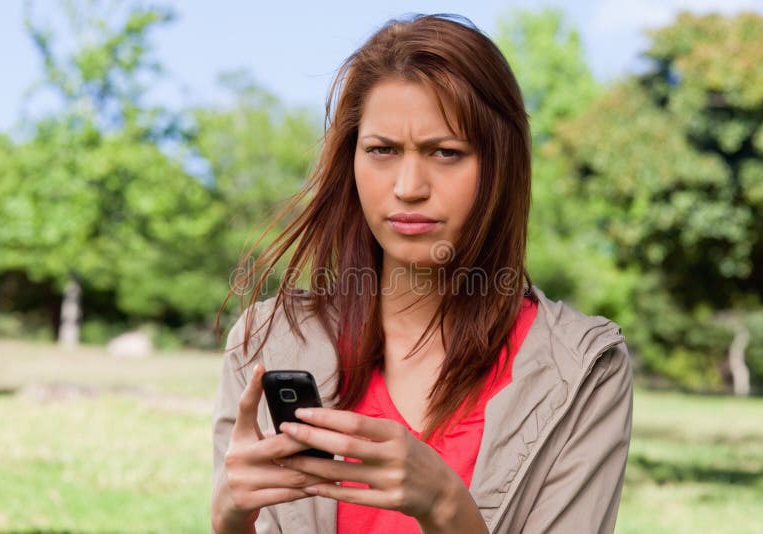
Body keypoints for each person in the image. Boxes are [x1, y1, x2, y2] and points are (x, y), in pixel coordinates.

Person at [211, 13, 633, 534]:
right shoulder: (268, 342)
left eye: (446, 152)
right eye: (382, 150)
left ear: (500, 168)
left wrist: (444, 505)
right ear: (352, 161)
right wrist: (231, 521)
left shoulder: (584, 368)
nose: (409, 186)